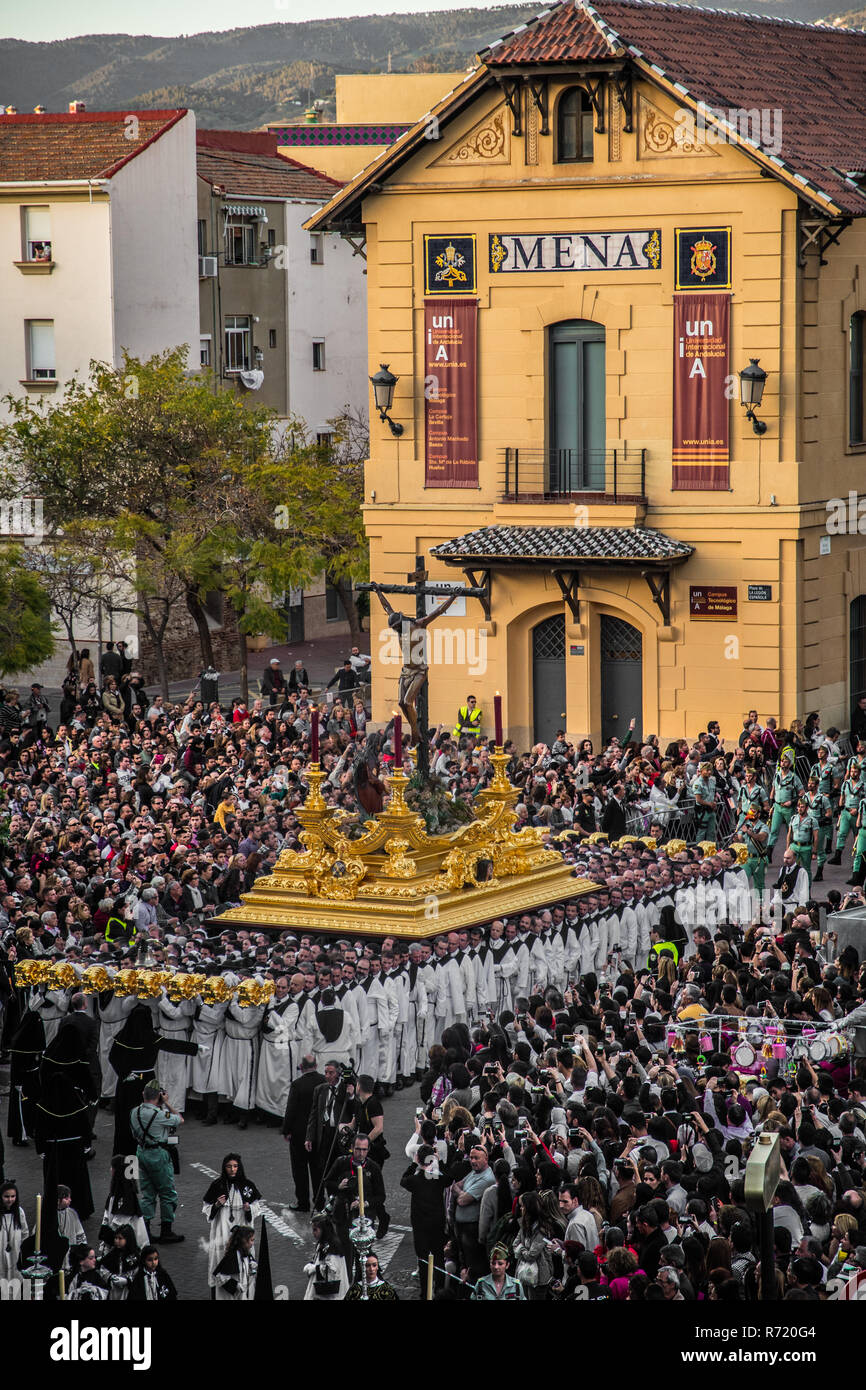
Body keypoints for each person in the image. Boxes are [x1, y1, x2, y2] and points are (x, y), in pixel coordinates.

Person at [129, 1081, 184, 1244]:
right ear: (158, 1096)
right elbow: (179, 1119)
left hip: (141, 1152)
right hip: (158, 1154)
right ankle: (166, 1231)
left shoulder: (134, 1112)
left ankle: (145, 1231)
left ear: (143, 1095)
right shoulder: (160, 1115)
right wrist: (166, 1103)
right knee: (167, 1193)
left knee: (147, 1193)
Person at [202, 1153, 263, 1294]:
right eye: (229, 1166)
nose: (232, 1169)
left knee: (243, 1263)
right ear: (224, 1168)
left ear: (239, 1168)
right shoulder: (217, 1185)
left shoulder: (248, 1185)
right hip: (222, 1231)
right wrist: (217, 1204)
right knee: (221, 1262)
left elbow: (257, 1207)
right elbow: (206, 1207)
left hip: (242, 1230)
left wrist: (249, 1209)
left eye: (235, 1166)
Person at [324, 1132, 388, 1262]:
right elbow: (327, 1182)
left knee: (363, 1258)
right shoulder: (341, 1162)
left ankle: (360, 1280)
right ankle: (346, 1280)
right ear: (352, 1147)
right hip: (343, 1215)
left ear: (368, 1150)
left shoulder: (373, 1168)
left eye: (364, 1150)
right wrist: (338, 1186)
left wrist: (365, 1203)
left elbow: (381, 1196)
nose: (361, 1153)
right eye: (358, 1149)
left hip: (364, 1220)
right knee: (345, 1254)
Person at [305, 1060, 353, 1208]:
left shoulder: (346, 1089)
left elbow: (353, 1109)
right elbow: (314, 1115)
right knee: (323, 1169)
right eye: (325, 1072)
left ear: (338, 1074)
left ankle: (340, 1200)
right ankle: (323, 1201)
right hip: (324, 1134)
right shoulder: (320, 1090)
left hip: (339, 1135)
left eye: (331, 1072)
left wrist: (350, 1095)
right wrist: (309, 1137)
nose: (327, 1076)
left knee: (340, 1168)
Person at [283, 1055, 325, 1212]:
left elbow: (291, 1109)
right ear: (316, 1065)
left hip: (300, 1133)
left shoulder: (297, 1085)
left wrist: (286, 1130)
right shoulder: (323, 1081)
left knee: (299, 1170)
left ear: (301, 1066)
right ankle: (320, 1201)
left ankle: (303, 1202)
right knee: (317, 1169)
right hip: (319, 1133)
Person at [303, 1214, 349, 1301]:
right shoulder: (323, 1243)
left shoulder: (333, 1246)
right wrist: (311, 1264)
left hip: (330, 1294)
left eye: (315, 1230)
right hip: (322, 1291)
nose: (313, 1233)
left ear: (324, 1229)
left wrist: (314, 1269)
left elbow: (332, 1271)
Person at [96, 1224, 141, 1301]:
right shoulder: (112, 1254)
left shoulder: (134, 1256)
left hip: (128, 1291)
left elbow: (138, 1272)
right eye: (116, 1238)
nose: (117, 1241)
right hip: (113, 1291)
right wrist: (110, 1277)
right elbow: (103, 1268)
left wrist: (128, 1280)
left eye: (120, 1238)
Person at [213, 1225, 257, 1300]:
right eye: (251, 1240)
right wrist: (236, 1284)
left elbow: (248, 1268)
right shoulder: (233, 1256)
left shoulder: (246, 1253)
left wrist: (252, 1265)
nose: (253, 1243)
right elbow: (219, 1275)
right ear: (244, 1240)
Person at [0, 1181, 28, 1281]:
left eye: (13, 1196)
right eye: (6, 1196)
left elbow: (25, 1233)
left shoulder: (19, 1212)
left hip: (15, 1255)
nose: (10, 1199)